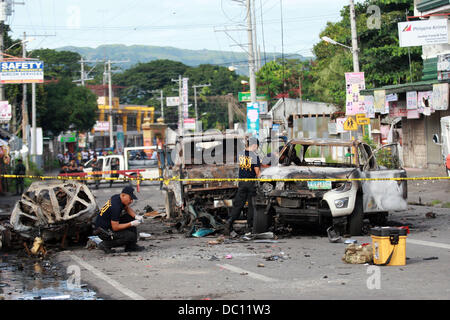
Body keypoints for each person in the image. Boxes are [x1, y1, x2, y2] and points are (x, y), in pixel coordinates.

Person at [225, 137, 261, 236]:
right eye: (256, 147)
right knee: (251, 205)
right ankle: (249, 227)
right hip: (251, 183)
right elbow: (257, 172)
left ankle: (230, 222)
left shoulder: (240, 154)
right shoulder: (254, 156)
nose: (256, 149)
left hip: (241, 183)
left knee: (238, 204)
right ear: (254, 145)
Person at [93, 186, 145, 253]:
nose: (131, 201)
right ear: (123, 195)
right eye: (130, 198)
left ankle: (131, 246)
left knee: (129, 217)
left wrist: (136, 216)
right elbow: (115, 227)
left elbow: (126, 208)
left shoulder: (117, 197)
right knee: (130, 236)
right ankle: (105, 244)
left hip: (106, 226)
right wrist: (131, 224)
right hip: (103, 232)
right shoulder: (115, 207)